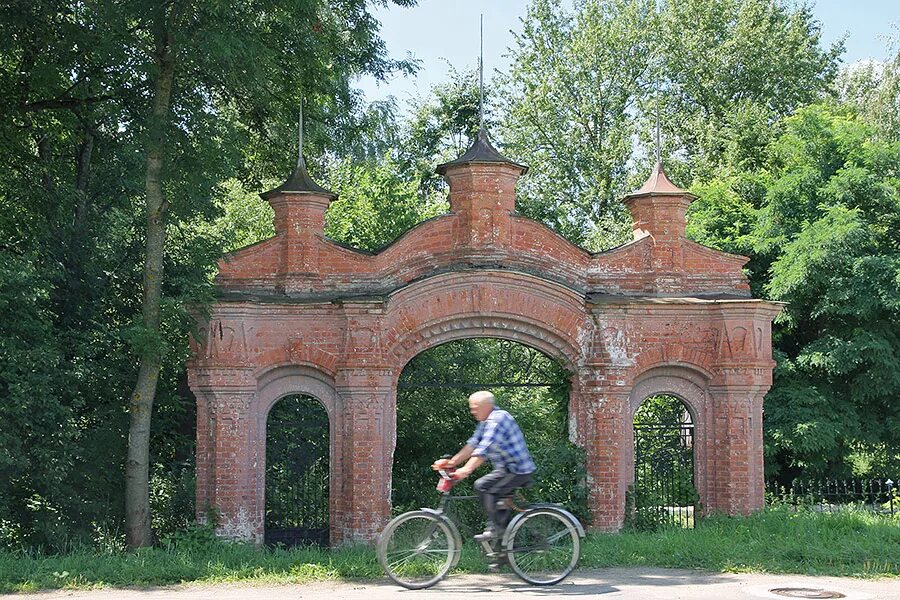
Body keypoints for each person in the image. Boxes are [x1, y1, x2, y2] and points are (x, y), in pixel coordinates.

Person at [432, 390, 536, 541]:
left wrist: (465, 470)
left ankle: (498, 531)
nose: (472, 411)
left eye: (474, 407)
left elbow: (483, 449)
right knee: (497, 500)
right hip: (506, 469)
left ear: (485, 406)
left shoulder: (497, 419)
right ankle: (503, 550)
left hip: (517, 470)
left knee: (482, 486)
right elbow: (472, 445)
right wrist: (451, 463)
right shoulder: (485, 421)